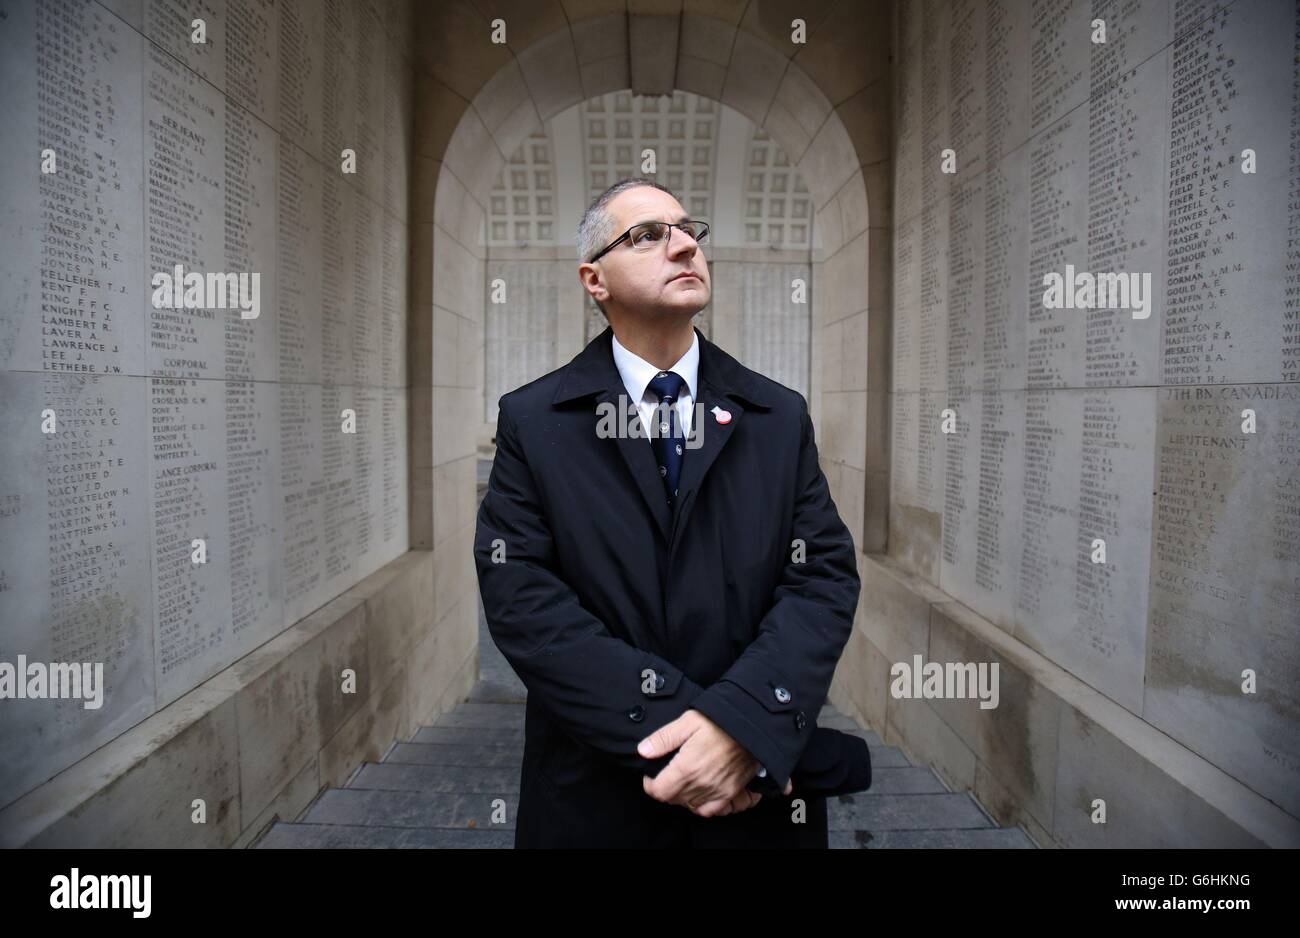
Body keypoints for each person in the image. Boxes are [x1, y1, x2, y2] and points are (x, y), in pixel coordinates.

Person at [473, 177, 865, 848]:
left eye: (689, 230)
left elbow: (822, 579)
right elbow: (524, 601)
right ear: (594, 280)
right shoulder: (534, 422)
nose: (684, 246)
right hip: (595, 803)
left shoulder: (776, 416)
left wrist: (744, 723)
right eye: (648, 235)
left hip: (757, 816)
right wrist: (713, 740)